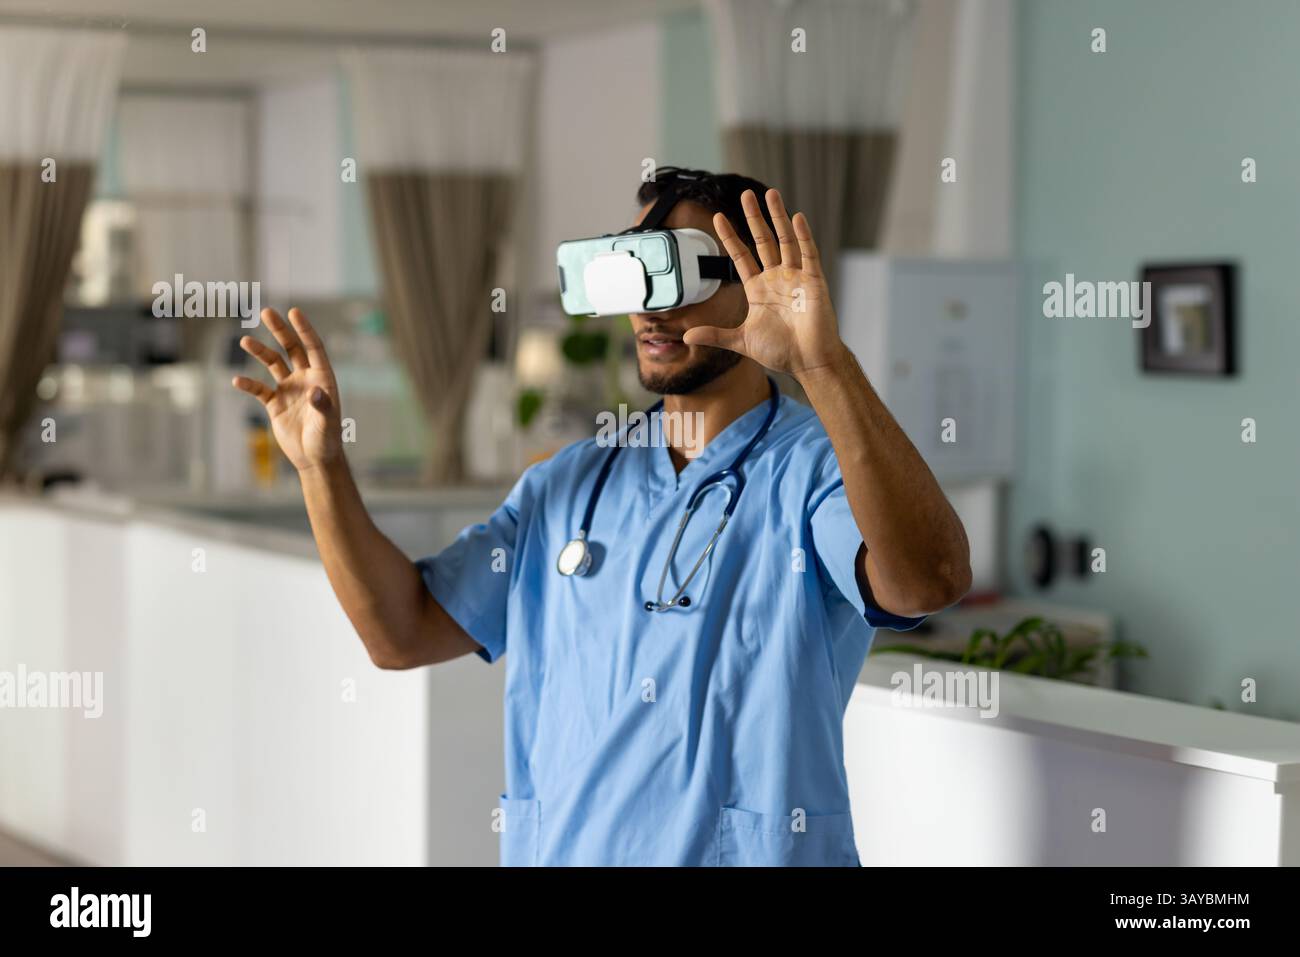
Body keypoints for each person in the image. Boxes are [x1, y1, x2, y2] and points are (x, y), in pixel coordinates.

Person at [232, 168, 971, 866]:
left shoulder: (813, 471)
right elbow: (399, 631)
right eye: (635, 273)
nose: (651, 306)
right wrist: (319, 468)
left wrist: (822, 365)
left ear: (757, 288)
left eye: (676, 272)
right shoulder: (568, 485)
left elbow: (928, 580)